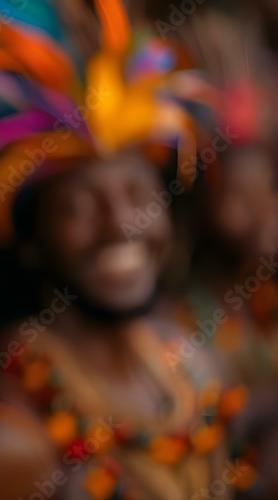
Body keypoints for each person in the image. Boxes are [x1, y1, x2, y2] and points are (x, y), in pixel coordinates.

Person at [0, 1, 254, 498]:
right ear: (33, 241)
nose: (122, 224)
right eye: (80, 207)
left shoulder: (195, 368)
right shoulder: (4, 438)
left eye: (138, 196)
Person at [171, 9, 278, 497]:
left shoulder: (266, 290)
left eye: (270, 190)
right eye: (238, 197)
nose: (259, 213)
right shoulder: (182, 315)